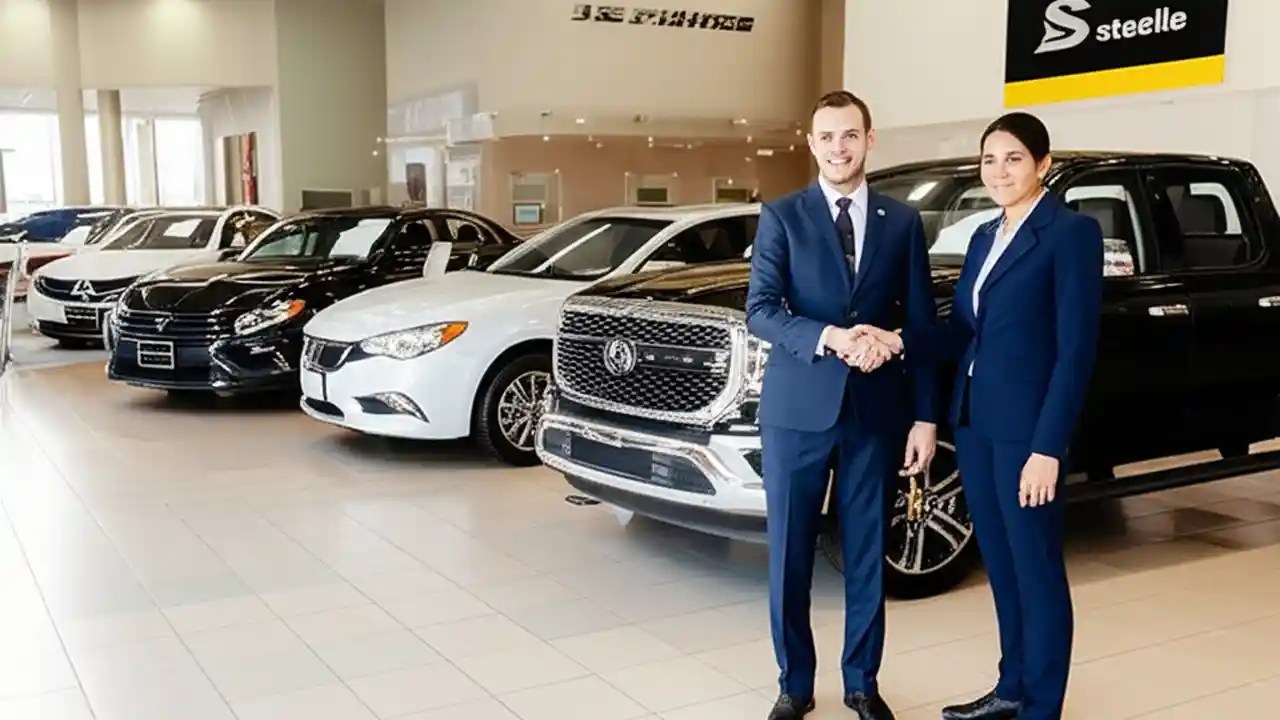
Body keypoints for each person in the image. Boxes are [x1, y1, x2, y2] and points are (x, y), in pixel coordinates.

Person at [853, 111, 1104, 719]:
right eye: (990, 159)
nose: (999, 171)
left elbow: (1076, 351)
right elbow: (963, 331)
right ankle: (1011, 687)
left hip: (1026, 433)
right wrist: (898, 340)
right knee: (1003, 566)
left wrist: (1049, 447)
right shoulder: (984, 237)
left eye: (1014, 158)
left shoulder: (1071, 234)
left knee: (1037, 570)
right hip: (977, 424)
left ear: (1043, 165)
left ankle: (1041, 706)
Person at [745, 89, 940, 720]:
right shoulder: (783, 216)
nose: (839, 148)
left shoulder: (902, 223)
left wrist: (925, 415)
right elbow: (762, 311)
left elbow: (923, 324)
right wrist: (829, 337)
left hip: (875, 414)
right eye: (827, 137)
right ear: (811, 143)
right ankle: (794, 685)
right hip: (797, 411)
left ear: (870, 139)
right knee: (790, 559)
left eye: (850, 135)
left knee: (865, 557)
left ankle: (862, 682)